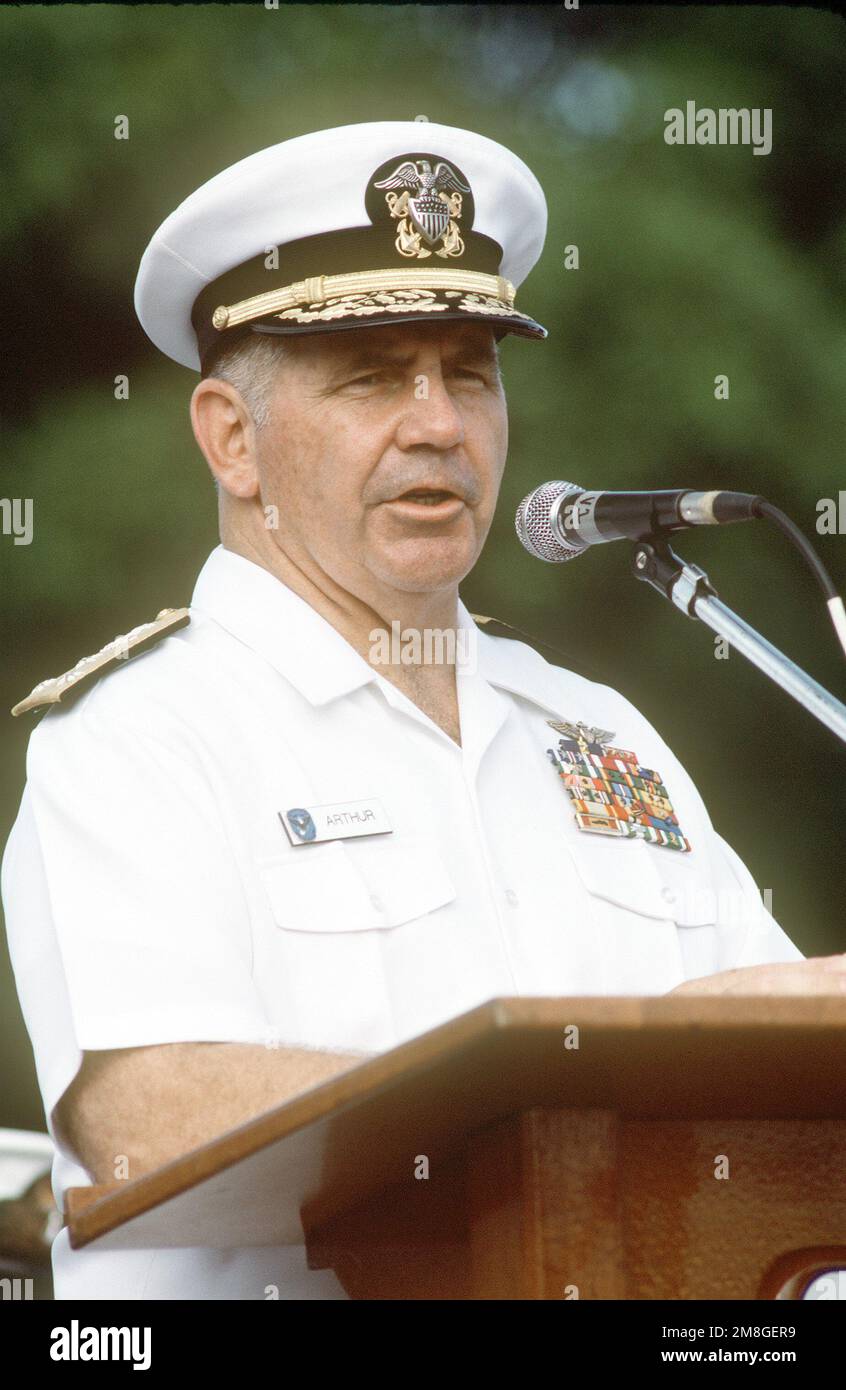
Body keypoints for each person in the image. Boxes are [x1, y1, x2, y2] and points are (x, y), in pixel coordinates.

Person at [2, 119, 840, 1303]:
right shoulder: (134, 742)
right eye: (372, 375)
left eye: (469, 370)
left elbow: (796, 1084)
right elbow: (153, 1117)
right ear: (231, 439)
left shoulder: (596, 729)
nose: (439, 422)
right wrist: (585, 1076)